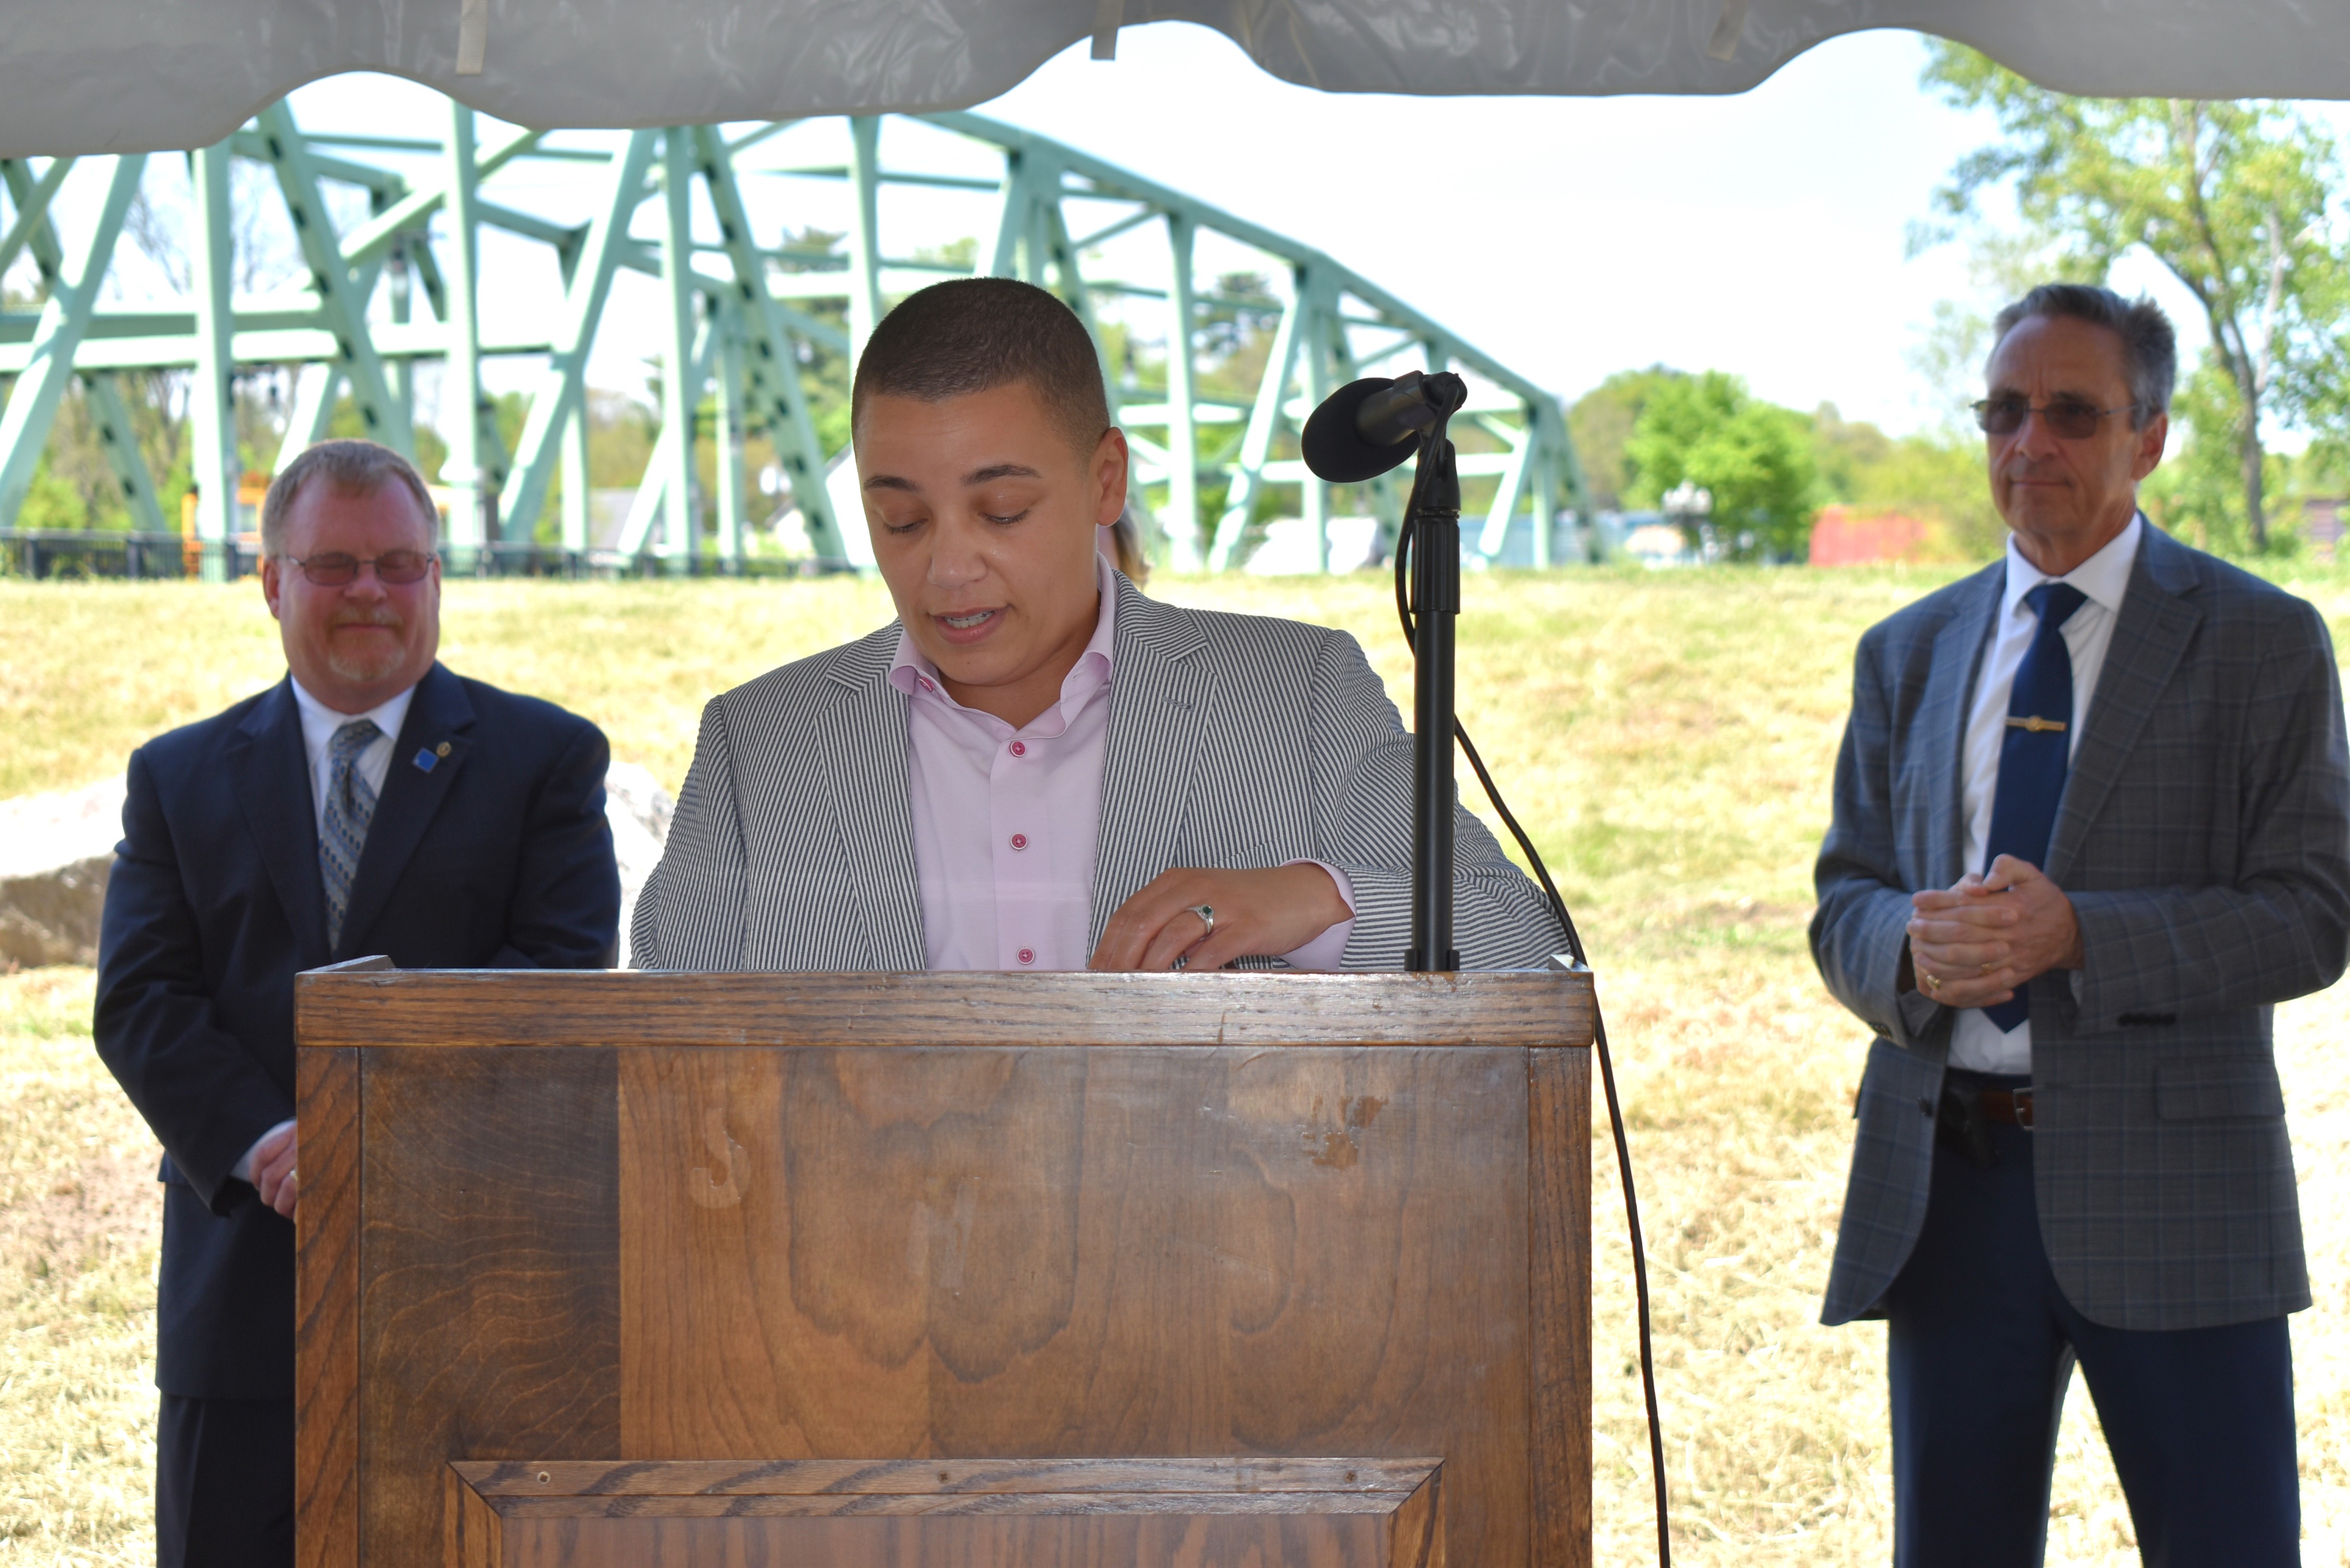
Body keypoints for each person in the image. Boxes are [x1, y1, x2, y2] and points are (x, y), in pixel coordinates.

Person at [1811, 284, 2350, 1566]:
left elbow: (2313, 915)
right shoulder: (1908, 649)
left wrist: (2079, 938)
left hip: (2179, 1200)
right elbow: (1845, 895)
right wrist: (1908, 948)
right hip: (1951, 1196)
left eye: (2068, 413)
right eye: (2003, 411)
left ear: (2149, 437)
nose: (2027, 443)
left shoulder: (2263, 644)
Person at [635, 276, 1563, 974]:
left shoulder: (1299, 690)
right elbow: (656, 1068)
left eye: (1001, 510)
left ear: (1106, 481)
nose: (949, 567)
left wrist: (1319, 900)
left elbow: (1515, 937)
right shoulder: (756, 746)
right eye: (901, 521)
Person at [94, 439, 622, 1567]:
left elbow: (561, 977)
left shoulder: (549, 760)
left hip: (472, 1291)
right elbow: (142, 1000)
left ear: (437, 578)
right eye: (333, 565)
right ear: (271, 580)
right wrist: (273, 1143)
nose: (371, 592)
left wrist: (364, 1139)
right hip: (240, 1295)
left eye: (400, 563)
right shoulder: (176, 778)